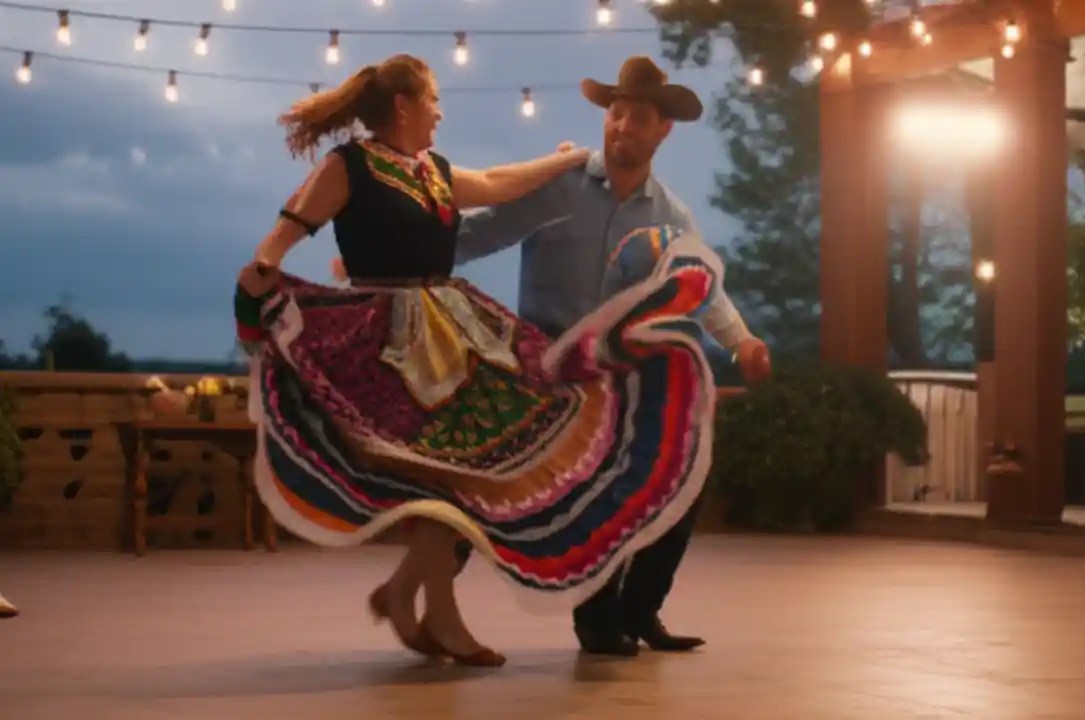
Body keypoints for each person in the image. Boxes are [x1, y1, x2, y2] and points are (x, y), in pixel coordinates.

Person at [233, 54, 732, 668]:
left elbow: (495, 184)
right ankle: (442, 610)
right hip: (406, 342)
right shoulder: (352, 165)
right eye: (433, 100)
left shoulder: (435, 172)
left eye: (637, 117)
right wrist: (266, 266)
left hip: (457, 335)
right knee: (455, 477)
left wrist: (564, 159)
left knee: (471, 476)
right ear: (404, 107)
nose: (440, 110)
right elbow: (299, 222)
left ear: (662, 130)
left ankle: (422, 596)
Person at [453, 55, 772, 657]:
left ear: (662, 130)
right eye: (615, 114)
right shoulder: (558, 183)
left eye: (638, 117)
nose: (622, 126)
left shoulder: (671, 215)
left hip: (621, 380)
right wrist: (400, 255)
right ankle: (597, 620)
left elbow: (704, 289)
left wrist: (743, 343)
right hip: (545, 376)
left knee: (685, 471)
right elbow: (481, 231)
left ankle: (638, 609)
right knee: (575, 482)